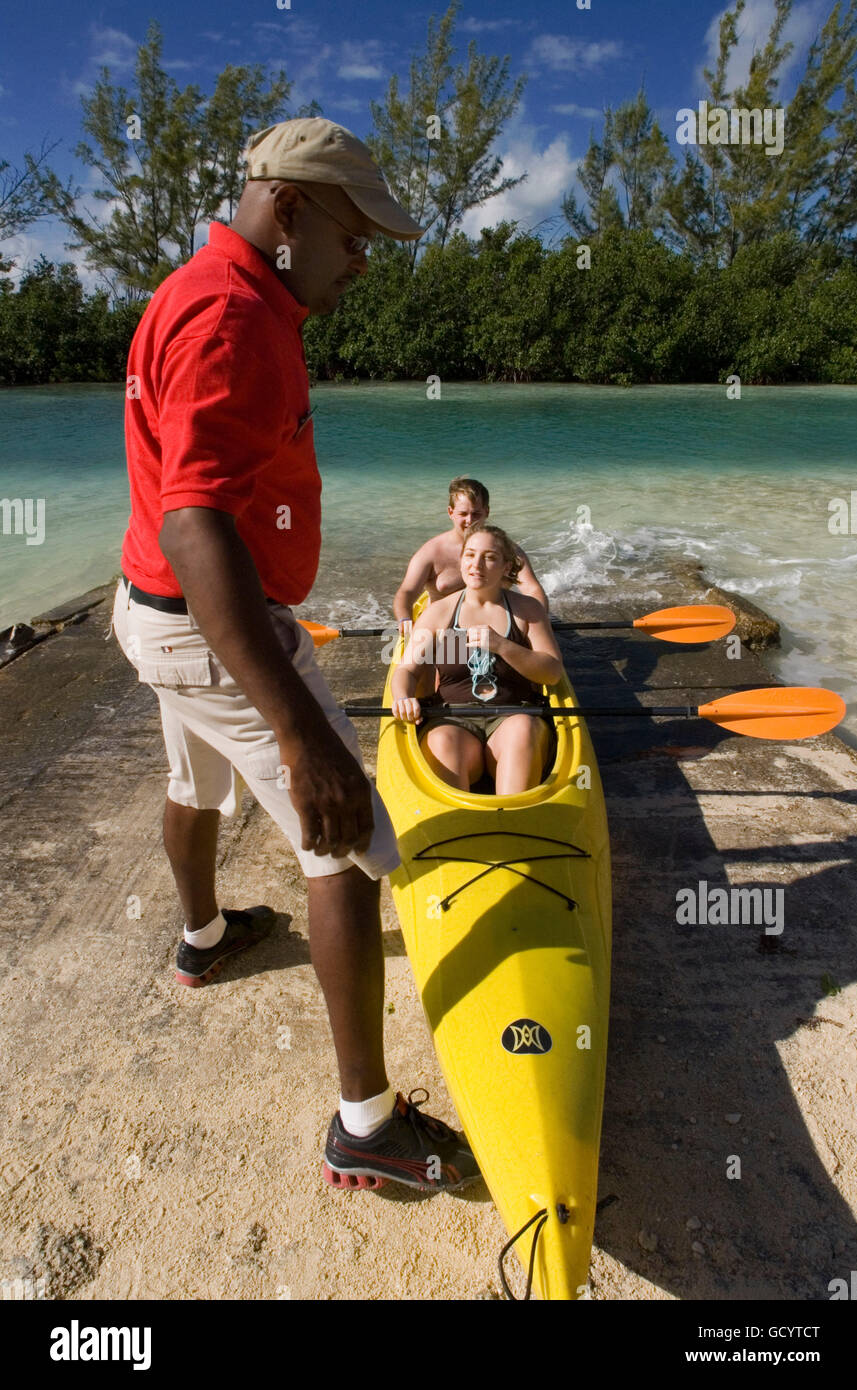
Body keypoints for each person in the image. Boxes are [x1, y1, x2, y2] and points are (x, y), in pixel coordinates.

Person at [112, 117, 479, 1194]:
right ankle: (367, 1126)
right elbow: (197, 525)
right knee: (348, 845)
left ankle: (204, 936)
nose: (363, 263)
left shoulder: (203, 289)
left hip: (154, 613)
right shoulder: (235, 317)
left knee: (195, 783)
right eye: (355, 239)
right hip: (213, 623)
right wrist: (301, 732)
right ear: (289, 209)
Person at [391, 524, 564, 794]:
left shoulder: (527, 610)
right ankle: (456, 815)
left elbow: (552, 672)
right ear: (461, 560)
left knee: (522, 730)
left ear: (506, 567)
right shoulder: (438, 613)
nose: (476, 565)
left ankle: (513, 811)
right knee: (443, 741)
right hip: (452, 717)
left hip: (515, 714)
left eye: (489, 557)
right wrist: (402, 697)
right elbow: (407, 670)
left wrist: (503, 646)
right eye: (470, 555)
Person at [392, 476, 548, 635]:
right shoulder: (431, 552)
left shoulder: (506, 550)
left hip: (496, 631)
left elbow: (532, 588)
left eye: (476, 513)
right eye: (463, 514)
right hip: (445, 631)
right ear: (451, 512)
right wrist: (405, 619)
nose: (470, 520)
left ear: (487, 512)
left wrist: (539, 623)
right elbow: (406, 592)